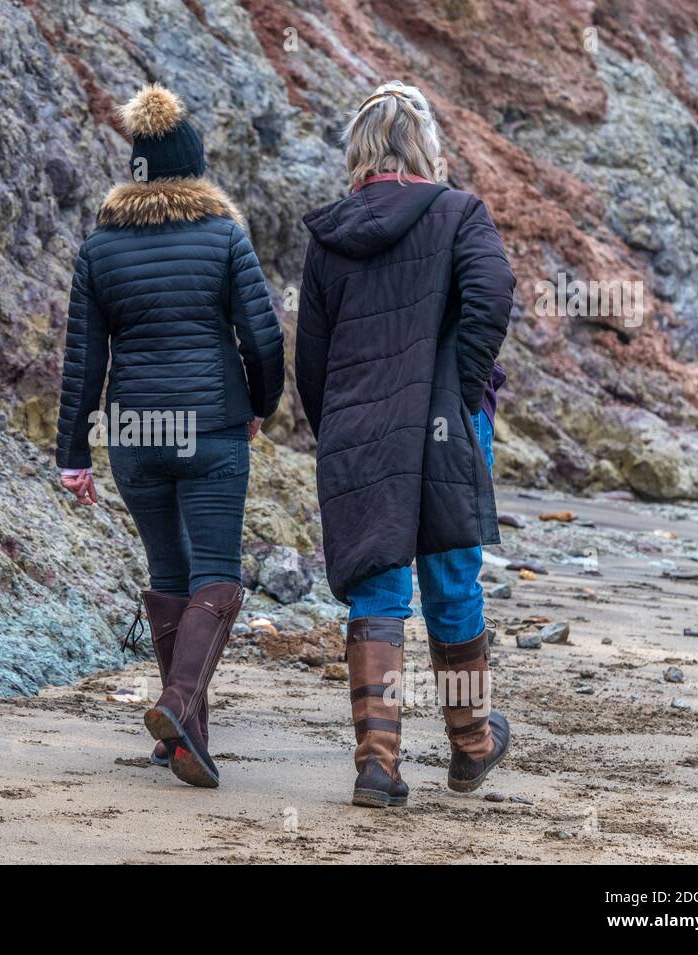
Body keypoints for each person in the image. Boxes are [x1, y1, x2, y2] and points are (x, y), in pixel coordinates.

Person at [55, 84, 284, 789]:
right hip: (211, 427)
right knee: (217, 571)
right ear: (196, 170)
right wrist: (260, 403)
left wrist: (72, 455)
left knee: (167, 574)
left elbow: (82, 359)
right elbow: (265, 336)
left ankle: (186, 741)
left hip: (136, 434)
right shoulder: (223, 237)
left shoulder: (100, 247)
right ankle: (179, 702)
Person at [295, 81, 516, 808]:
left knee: (378, 584)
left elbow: (313, 357)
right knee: (452, 578)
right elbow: (494, 293)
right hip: (445, 421)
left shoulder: (330, 235)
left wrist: (342, 432)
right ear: (424, 147)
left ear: (358, 152)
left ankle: (378, 764)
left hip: (361, 428)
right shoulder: (460, 213)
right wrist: (463, 388)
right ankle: (472, 743)